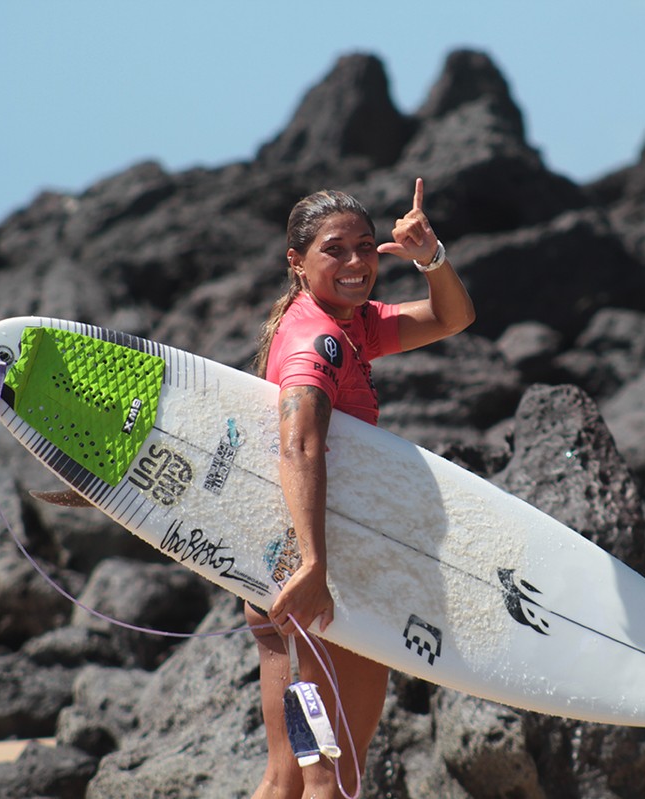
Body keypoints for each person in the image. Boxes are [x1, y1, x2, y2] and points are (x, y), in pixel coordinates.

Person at [246, 178, 475, 799]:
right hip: (324, 584)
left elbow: (452, 316)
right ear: (296, 261)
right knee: (335, 780)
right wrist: (318, 566)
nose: (356, 263)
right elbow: (300, 444)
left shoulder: (348, 325)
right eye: (335, 250)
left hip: (275, 572)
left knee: (287, 778)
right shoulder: (314, 342)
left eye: (367, 248)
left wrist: (429, 256)